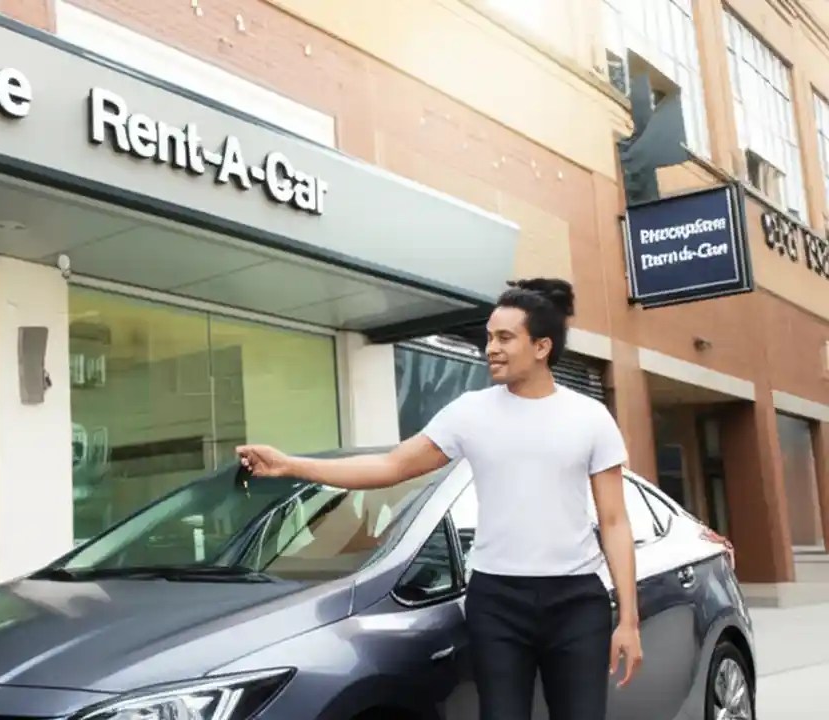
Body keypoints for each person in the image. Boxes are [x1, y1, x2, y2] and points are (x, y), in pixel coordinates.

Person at [236, 278, 643, 720]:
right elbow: (390, 467)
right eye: (489, 337)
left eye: (505, 337)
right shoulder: (471, 412)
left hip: (576, 601)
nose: (491, 348)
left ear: (542, 346)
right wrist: (291, 465)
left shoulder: (589, 417)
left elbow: (615, 521)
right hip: (497, 601)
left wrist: (629, 619)